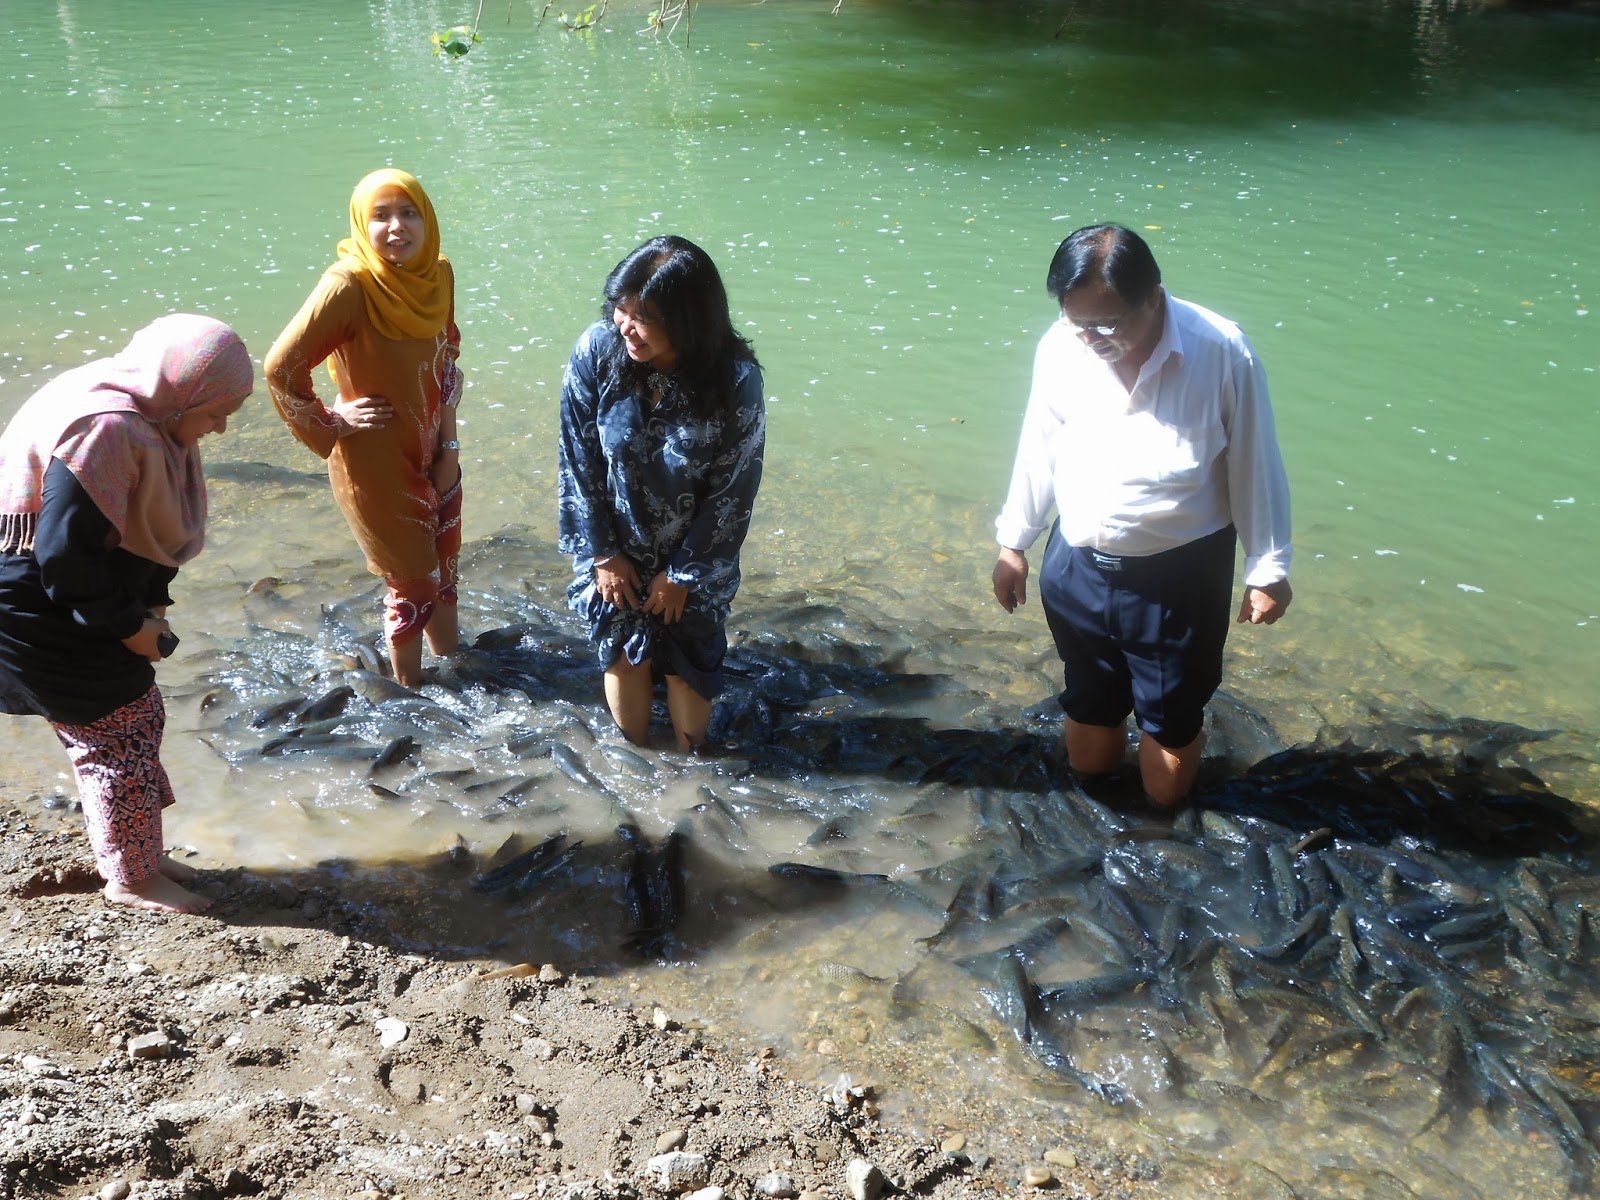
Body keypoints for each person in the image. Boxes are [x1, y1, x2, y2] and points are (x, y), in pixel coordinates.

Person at [991, 224, 1292, 812]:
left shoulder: (1221, 350)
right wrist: (1014, 542)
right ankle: (1096, 814)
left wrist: (1268, 565)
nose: (1093, 339)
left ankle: (1161, 829)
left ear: (1154, 296)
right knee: (1088, 698)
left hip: (1179, 576)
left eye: (1110, 324)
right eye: (1079, 322)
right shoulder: (1061, 345)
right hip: (1076, 562)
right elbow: (1038, 443)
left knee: (1171, 718)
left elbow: (1256, 462)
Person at [0, 314, 253, 913]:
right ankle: (132, 879)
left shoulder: (144, 408)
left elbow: (122, 534)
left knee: (135, 718)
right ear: (182, 392)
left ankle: (135, 852)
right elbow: (62, 555)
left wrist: (151, 605)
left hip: (67, 588)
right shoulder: (110, 429)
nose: (218, 428)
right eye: (216, 410)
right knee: (116, 733)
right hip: (35, 597)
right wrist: (133, 627)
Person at [558, 235, 765, 752]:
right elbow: (577, 459)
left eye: (643, 317)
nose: (626, 326)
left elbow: (733, 489)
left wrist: (683, 575)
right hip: (614, 543)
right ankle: (635, 763)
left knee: (686, 663)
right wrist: (604, 553)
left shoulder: (735, 380)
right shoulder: (597, 350)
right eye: (620, 309)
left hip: (694, 550)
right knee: (623, 652)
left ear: (689, 320)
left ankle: (691, 771)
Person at [265, 168, 463, 687]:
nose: (396, 227)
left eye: (408, 213)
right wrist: (330, 421)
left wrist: (450, 446)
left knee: (445, 565)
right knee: (413, 582)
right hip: (373, 462)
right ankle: (412, 698)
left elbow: (446, 368)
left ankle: (458, 671)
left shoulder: (437, 275)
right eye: (380, 216)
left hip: (433, 448)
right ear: (360, 223)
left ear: (428, 220)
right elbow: (281, 367)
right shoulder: (349, 285)